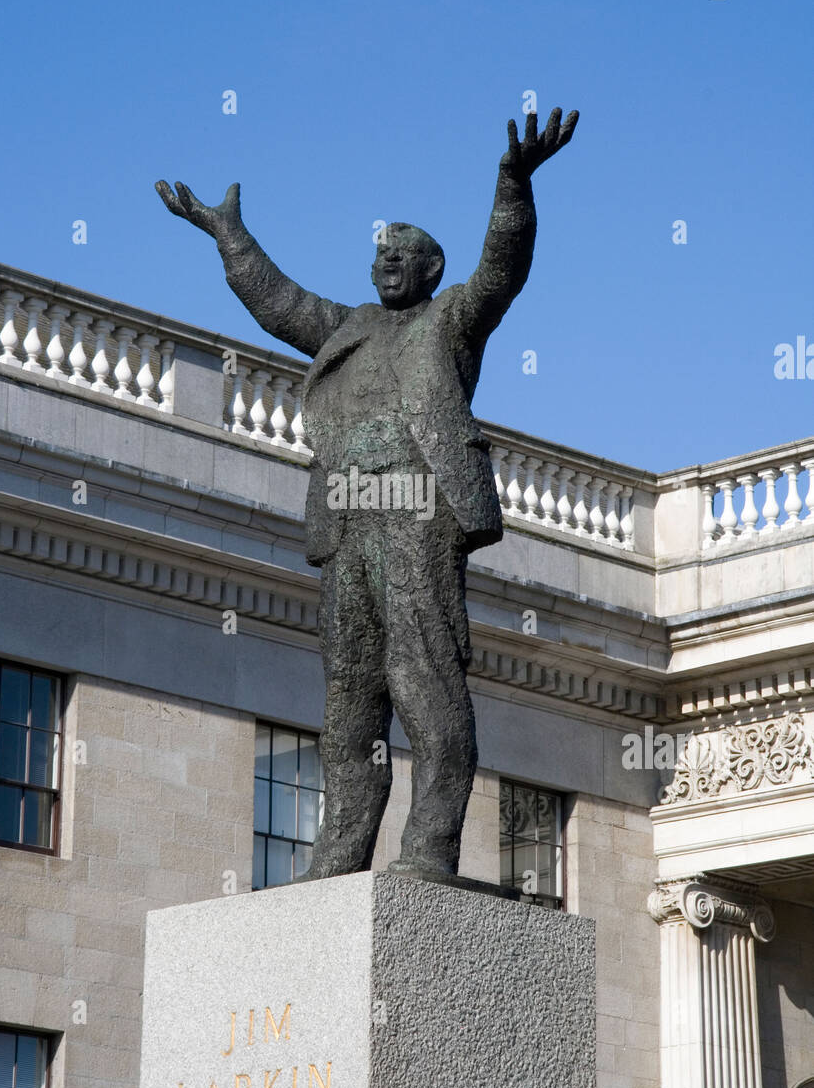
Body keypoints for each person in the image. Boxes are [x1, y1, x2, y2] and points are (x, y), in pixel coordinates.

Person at [156, 107, 578, 879]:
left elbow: (500, 271)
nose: (388, 260)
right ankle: (340, 854)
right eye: (381, 250)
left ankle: (429, 849)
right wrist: (228, 236)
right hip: (348, 516)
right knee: (349, 700)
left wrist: (512, 186)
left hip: (418, 511)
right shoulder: (346, 326)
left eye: (404, 253)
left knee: (423, 679)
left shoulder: (450, 320)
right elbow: (278, 302)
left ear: (430, 271)